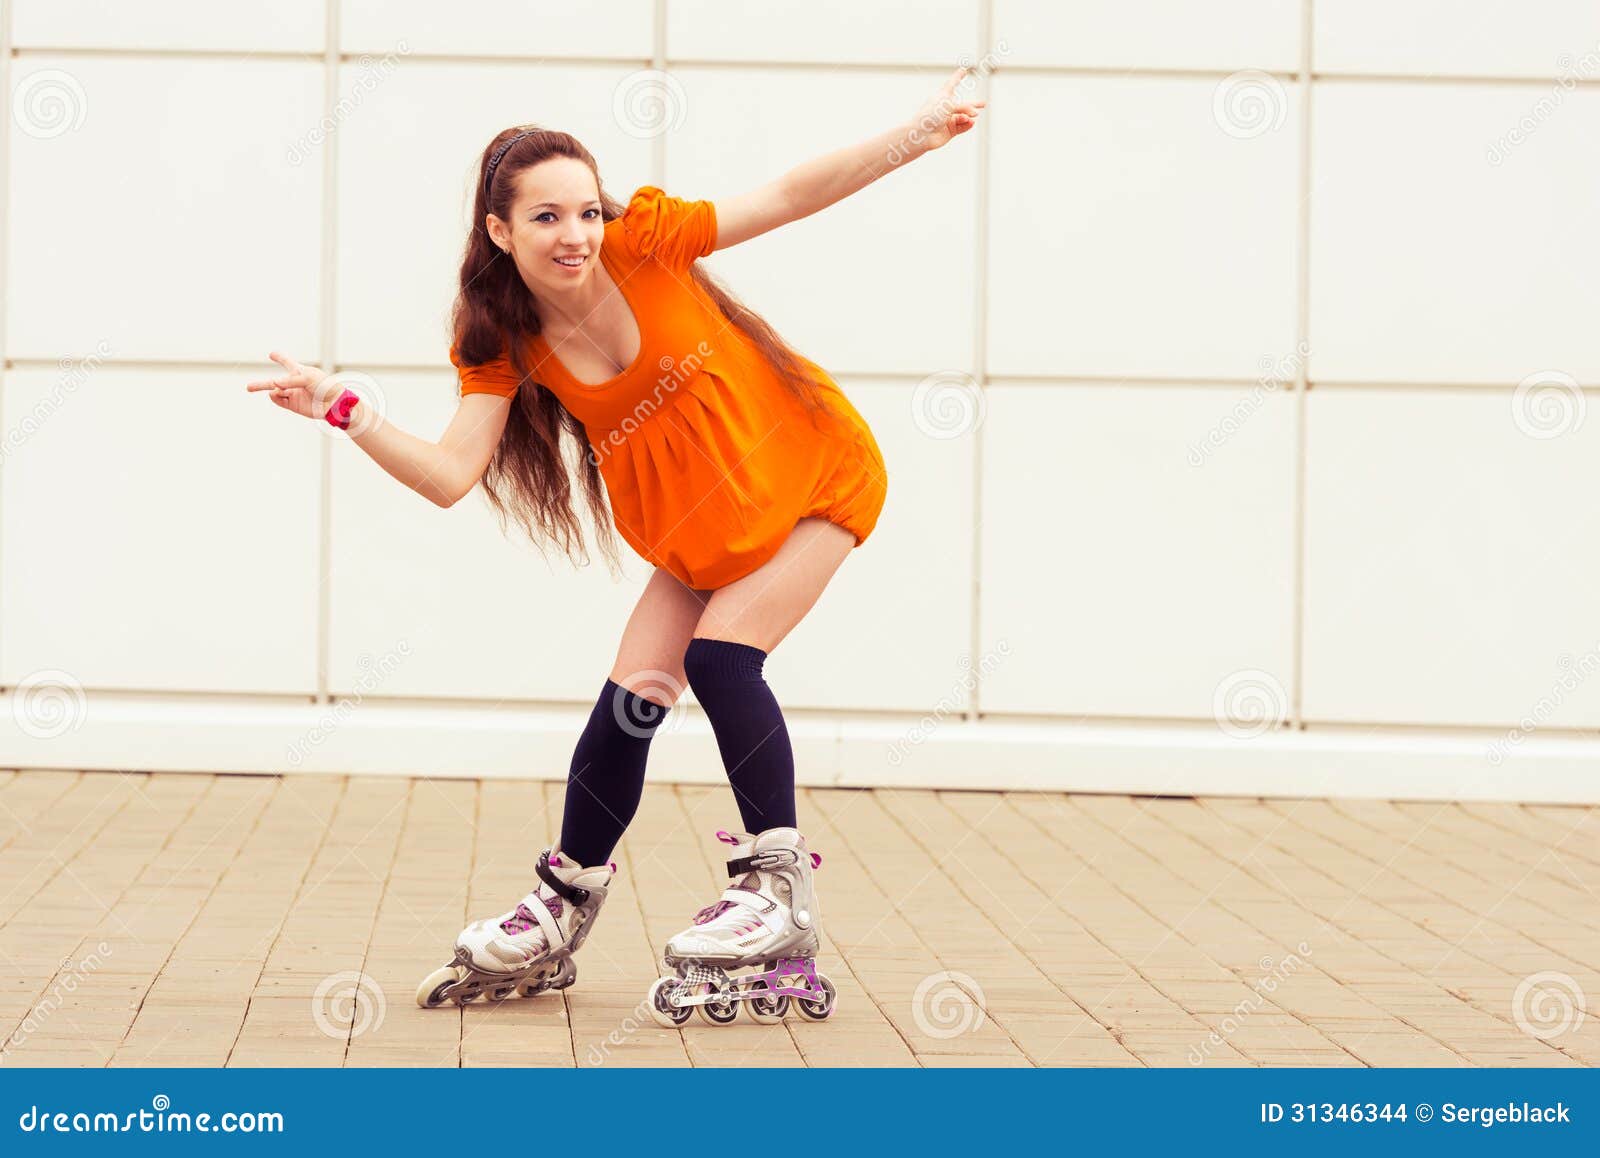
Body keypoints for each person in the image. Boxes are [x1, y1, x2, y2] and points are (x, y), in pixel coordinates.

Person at [247, 67, 985, 1021]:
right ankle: (565, 897)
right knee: (632, 700)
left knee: (723, 659)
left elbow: (792, 194)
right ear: (500, 231)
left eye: (586, 212)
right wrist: (345, 411)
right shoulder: (503, 339)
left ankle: (776, 889)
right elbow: (447, 476)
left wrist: (914, 133)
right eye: (547, 218)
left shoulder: (651, 240)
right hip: (700, 531)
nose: (576, 236)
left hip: (809, 480)